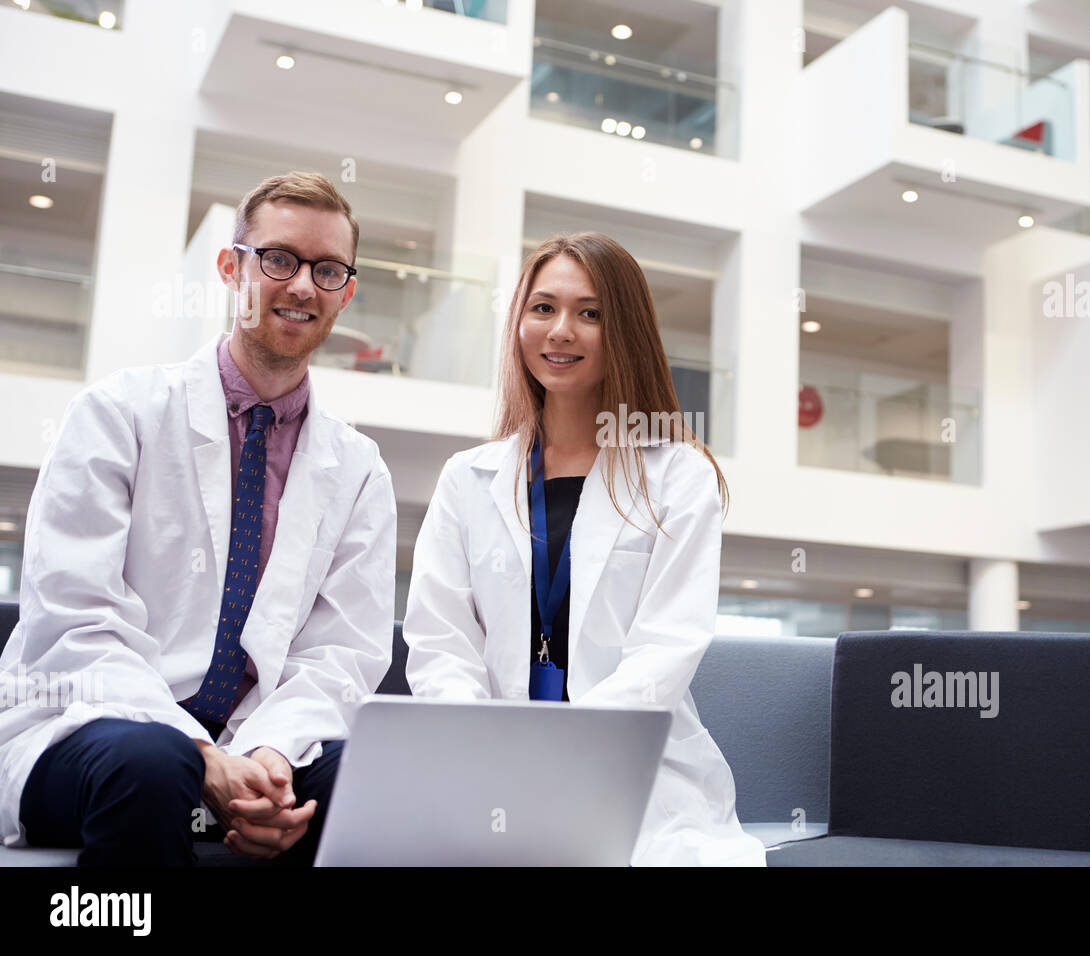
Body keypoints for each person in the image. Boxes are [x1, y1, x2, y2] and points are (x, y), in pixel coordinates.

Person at [0, 171, 396, 865]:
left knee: (372, 786)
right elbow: (75, 618)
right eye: (278, 259)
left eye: (326, 269)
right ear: (229, 266)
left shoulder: (359, 467)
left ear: (346, 291)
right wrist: (200, 753)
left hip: (260, 734)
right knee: (154, 765)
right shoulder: (119, 412)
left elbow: (341, 654)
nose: (302, 285)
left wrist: (267, 755)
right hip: (94, 725)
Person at [403, 232, 765, 866]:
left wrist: (564, 751)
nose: (561, 330)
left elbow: (666, 647)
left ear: (624, 331)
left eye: (589, 313)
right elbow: (441, 643)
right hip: (488, 761)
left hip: (626, 766)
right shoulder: (468, 478)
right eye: (542, 308)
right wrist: (484, 743)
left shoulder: (678, 475)